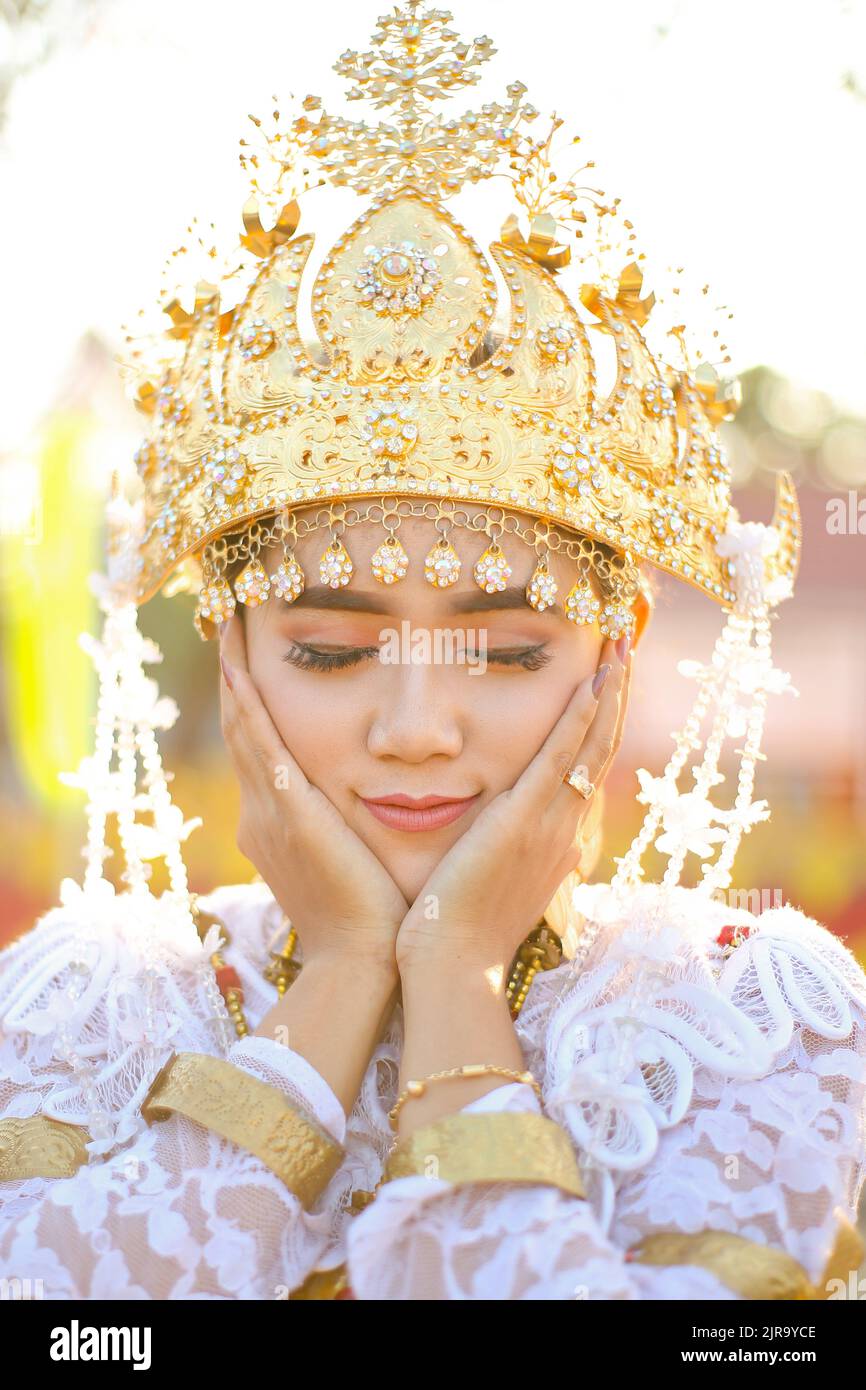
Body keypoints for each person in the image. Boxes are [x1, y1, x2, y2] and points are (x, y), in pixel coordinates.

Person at [1, 0, 865, 1301]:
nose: (416, 725)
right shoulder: (89, 1001)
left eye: (507, 651)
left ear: (613, 654)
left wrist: (456, 978)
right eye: (333, 650)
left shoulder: (743, 1021)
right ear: (228, 648)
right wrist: (339, 975)